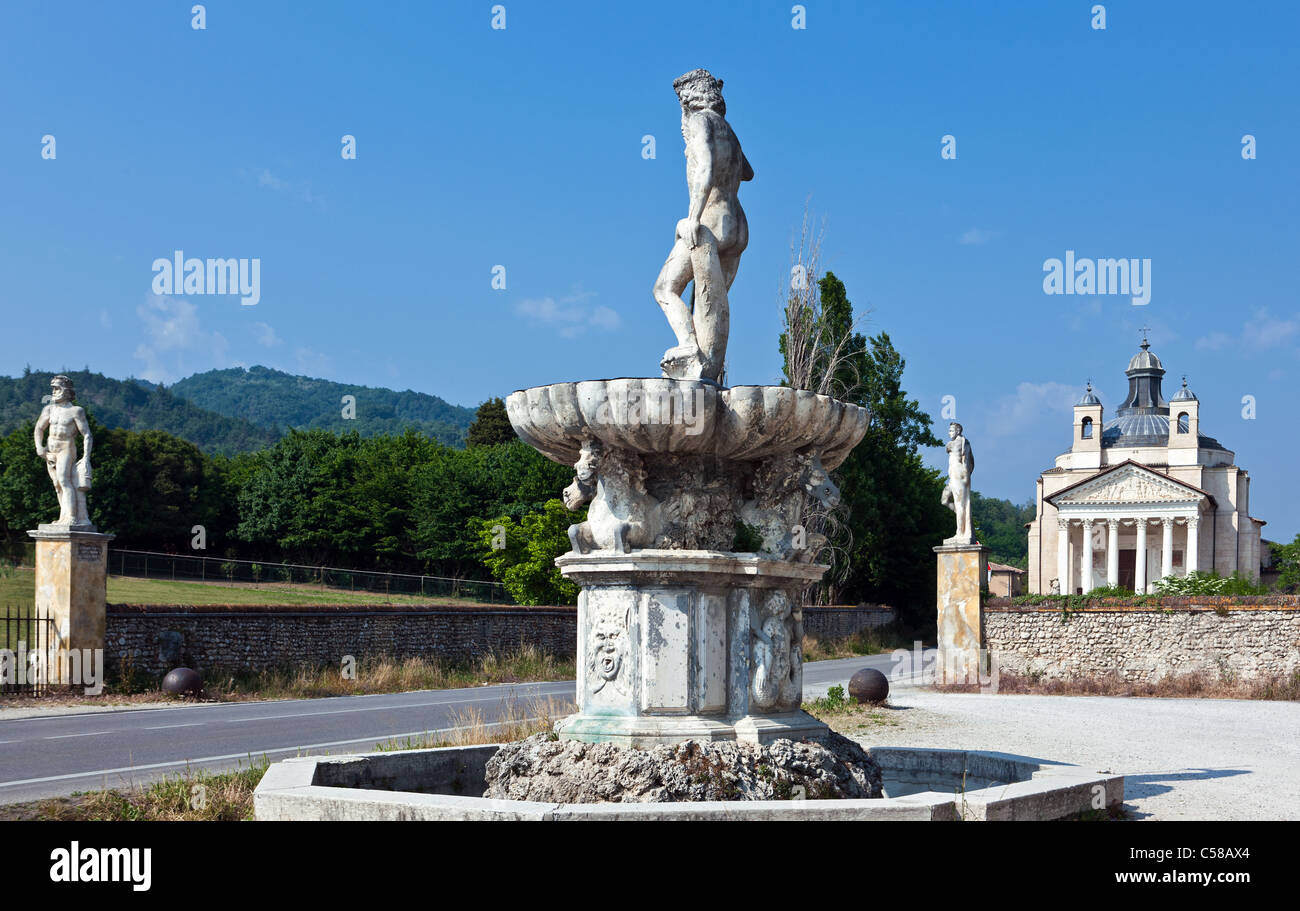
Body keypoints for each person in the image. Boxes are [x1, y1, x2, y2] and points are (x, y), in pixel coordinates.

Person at [652, 69, 753, 383]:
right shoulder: (728, 130)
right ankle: (707, 373)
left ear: (688, 99)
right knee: (711, 303)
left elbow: (706, 169)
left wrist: (692, 218)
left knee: (665, 289)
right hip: (737, 224)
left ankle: (688, 346)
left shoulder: (699, 122)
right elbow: (748, 173)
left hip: (709, 221)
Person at [34, 375, 94, 527]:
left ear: (66, 391)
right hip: (50, 450)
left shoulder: (76, 411)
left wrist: (86, 457)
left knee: (63, 480)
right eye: (52, 388)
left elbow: (87, 434)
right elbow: (39, 429)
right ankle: (64, 517)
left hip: (65, 448)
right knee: (57, 484)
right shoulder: (48, 409)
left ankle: (72, 518)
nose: (53, 391)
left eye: (57, 388)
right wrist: (39, 447)